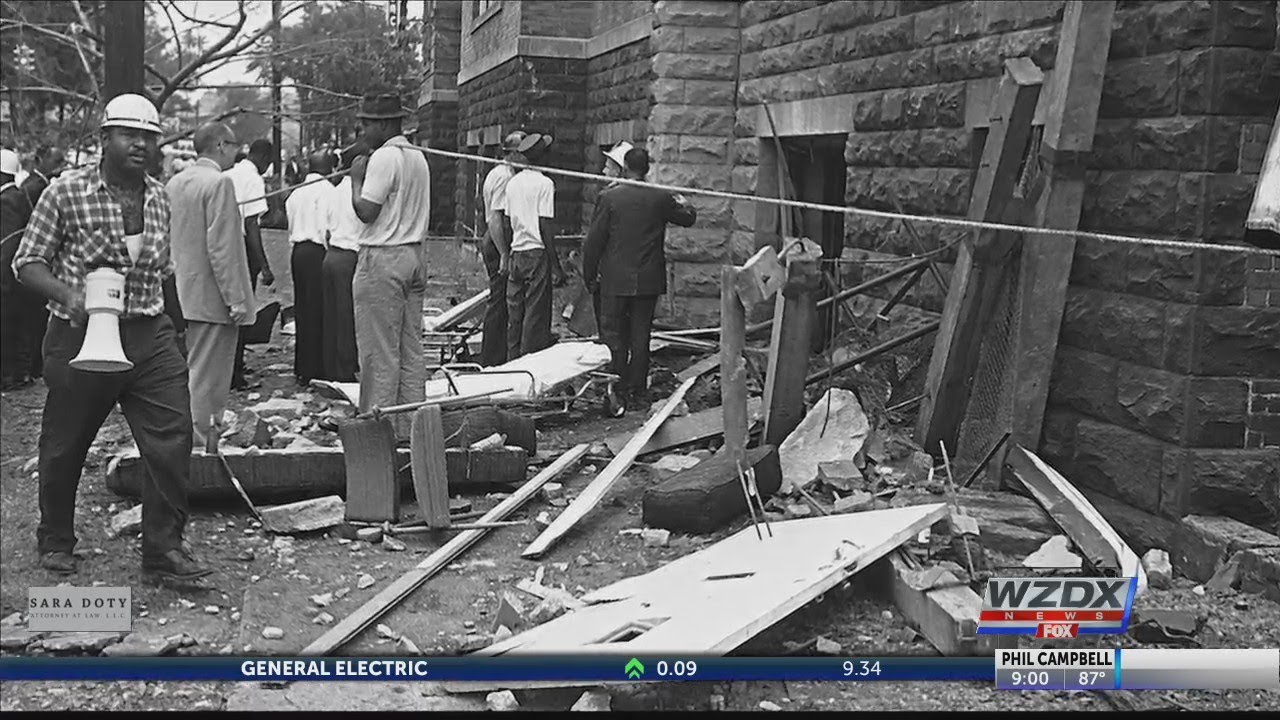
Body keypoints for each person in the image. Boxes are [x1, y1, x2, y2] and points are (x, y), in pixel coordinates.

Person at [13, 93, 211, 580]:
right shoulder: (66, 192)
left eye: (149, 137)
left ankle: (163, 549)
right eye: (129, 135)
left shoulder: (160, 197)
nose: (140, 145)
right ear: (104, 139)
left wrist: (177, 331)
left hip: (148, 333)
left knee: (172, 436)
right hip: (79, 335)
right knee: (66, 442)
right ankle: (56, 539)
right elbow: (27, 262)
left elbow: (164, 272)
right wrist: (70, 295)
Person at [583, 148, 697, 417]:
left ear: (625, 167)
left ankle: (616, 387)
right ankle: (638, 392)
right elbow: (688, 217)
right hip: (647, 279)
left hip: (615, 278)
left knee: (614, 335)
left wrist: (589, 275)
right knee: (640, 335)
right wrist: (682, 199)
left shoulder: (609, 197)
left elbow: (594, 241)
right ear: (647, 169)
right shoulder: (660, 197)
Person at [167, 122, 256, 448]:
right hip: (212, 297)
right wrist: (236, 299)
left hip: (181, 292)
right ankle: (199, 444)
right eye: (233, 145)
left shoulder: (175, 182)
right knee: (209, 380)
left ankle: (188, 438)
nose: (236, 152)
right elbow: (223, 248)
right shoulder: (219, 183)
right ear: (220, 145)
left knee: (189, 372)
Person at [349, 92, 432, 438]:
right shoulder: (418, 157)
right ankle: (411, 432)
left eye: (366, 124)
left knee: (379, 354)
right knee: (411, 351)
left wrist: (356, 179)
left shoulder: (384, 157)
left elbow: (367, 211)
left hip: (383, 258)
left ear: (384, 124)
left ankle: (376, 437)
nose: (362, 131)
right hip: (413, 256)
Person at [498, 132, 556, 361]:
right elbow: (544, 224)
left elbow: (506, 221)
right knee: (535, 314)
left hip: (517, 251)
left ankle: (512, 360)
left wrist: (507, 251)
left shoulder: (513, 183)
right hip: (536, 251)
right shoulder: (545, 183)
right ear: (542, 156)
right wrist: (556, 265)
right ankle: (529, 363)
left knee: (515, 312)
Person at [225, 139, 276, 389]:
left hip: (224, 246)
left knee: (228, 309)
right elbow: (251, 225)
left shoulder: (228, 174)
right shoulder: (254, 179)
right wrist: (264, 265)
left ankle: (230, 364)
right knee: (243, 311)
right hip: (243, 248)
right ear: (264, 158)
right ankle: (235, 374)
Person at [286, 150, 335, 385]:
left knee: (303, 309)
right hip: (318, 251)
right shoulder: (329, 192)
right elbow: (328, 228)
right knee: (319, 310)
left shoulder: (296, 193)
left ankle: (302, 367)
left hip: (298, 252)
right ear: (330, 168)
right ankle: (317, 367)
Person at [479, 130, 527, 367]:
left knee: (501, 299)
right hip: (497, 241)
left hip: (497, 240)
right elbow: (495, 218)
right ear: (513, 154)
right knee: (498, 300)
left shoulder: (502, 173)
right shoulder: (504, 177)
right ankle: (491, 358)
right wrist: (504, 254)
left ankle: (497, 354)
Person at [322, 145, 364, 382]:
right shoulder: (360, 193)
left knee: (332, 316)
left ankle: (331, 368)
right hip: (349, 255)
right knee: (348, 316)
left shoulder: (335, 190)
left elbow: (327, 227)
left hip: (332, 255)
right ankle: (346, 371)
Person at [1, 148, 35, 390]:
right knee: (19, 326)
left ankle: (10, 376)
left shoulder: (6, 201)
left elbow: (8, 243)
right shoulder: (19, 196)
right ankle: (20, 373)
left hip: (7, 278)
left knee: (7, 327)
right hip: (18, 277)